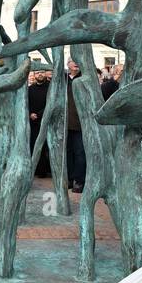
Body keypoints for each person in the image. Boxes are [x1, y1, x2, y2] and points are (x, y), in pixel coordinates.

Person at [65, 59, 85, 192]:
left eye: (77, 60)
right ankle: (70, 179)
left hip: (79, 124)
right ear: (68, 64)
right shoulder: (62, 80)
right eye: (72, 61)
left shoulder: (84, 78)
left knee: (80, 153)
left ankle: (79, 180)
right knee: (67, 153)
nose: (75, 63)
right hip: (64, 124)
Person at [27, 70, 51, 178]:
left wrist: (39, 114)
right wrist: (30, 113)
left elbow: (50, 103)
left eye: (42, 72)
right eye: (37, 73)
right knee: (34, 144)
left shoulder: (50, 88)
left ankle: (45, 170)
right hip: (33, 121)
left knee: (46, 146)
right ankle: (36, 169)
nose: (39, 74)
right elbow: (26, 103)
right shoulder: (30, 89)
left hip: (47, 120)